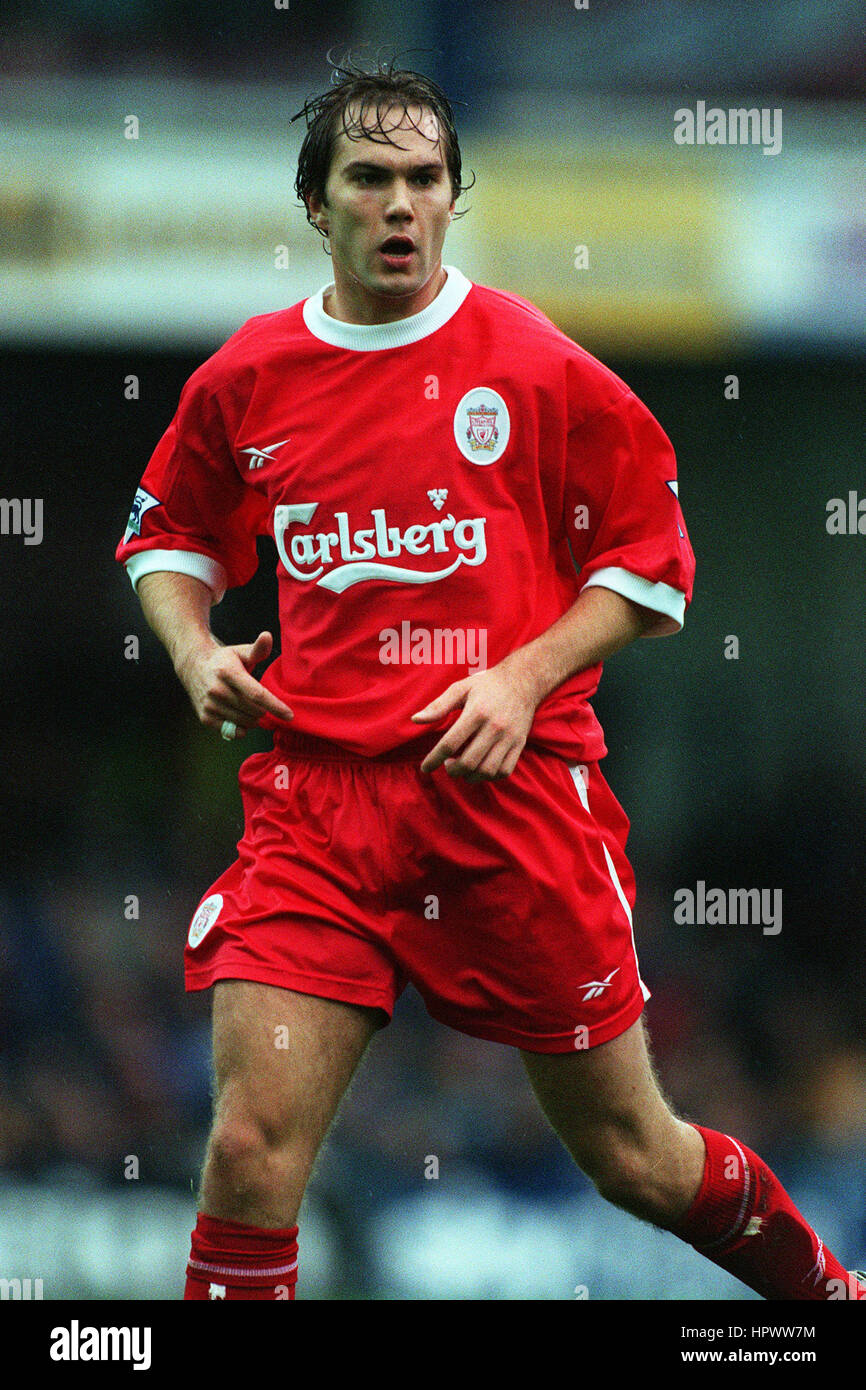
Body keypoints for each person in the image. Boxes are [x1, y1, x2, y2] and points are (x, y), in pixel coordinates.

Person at [116, 57, 864, 1302]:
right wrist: (192, 644)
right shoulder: (248, 377)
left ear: (455, 198)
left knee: (633, 1156)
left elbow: (653, 561)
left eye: (424, 179)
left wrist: (523, 675)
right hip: (317, 806)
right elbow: (167, 537)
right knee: (248, 1155)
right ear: (319, 204)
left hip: (509, 805)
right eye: (369, 178)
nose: (398, 203)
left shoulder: (527, 362)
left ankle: (825, 1295)